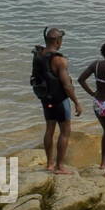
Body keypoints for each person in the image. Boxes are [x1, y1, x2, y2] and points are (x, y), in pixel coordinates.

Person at [30, 26, 81, 173]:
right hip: (59, 100)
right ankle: (60, 166)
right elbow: (67, 85)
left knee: (49, 129)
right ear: (58, 41)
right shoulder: (60, 60)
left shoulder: (38, 55)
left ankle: (49, 164)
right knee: (65, 132)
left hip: (45, 98)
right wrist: (77, 102)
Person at [78, 41, 105, 177]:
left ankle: (103, 163)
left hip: (98, 103)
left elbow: (81, 79)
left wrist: (92, 93)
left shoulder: (95, 64)